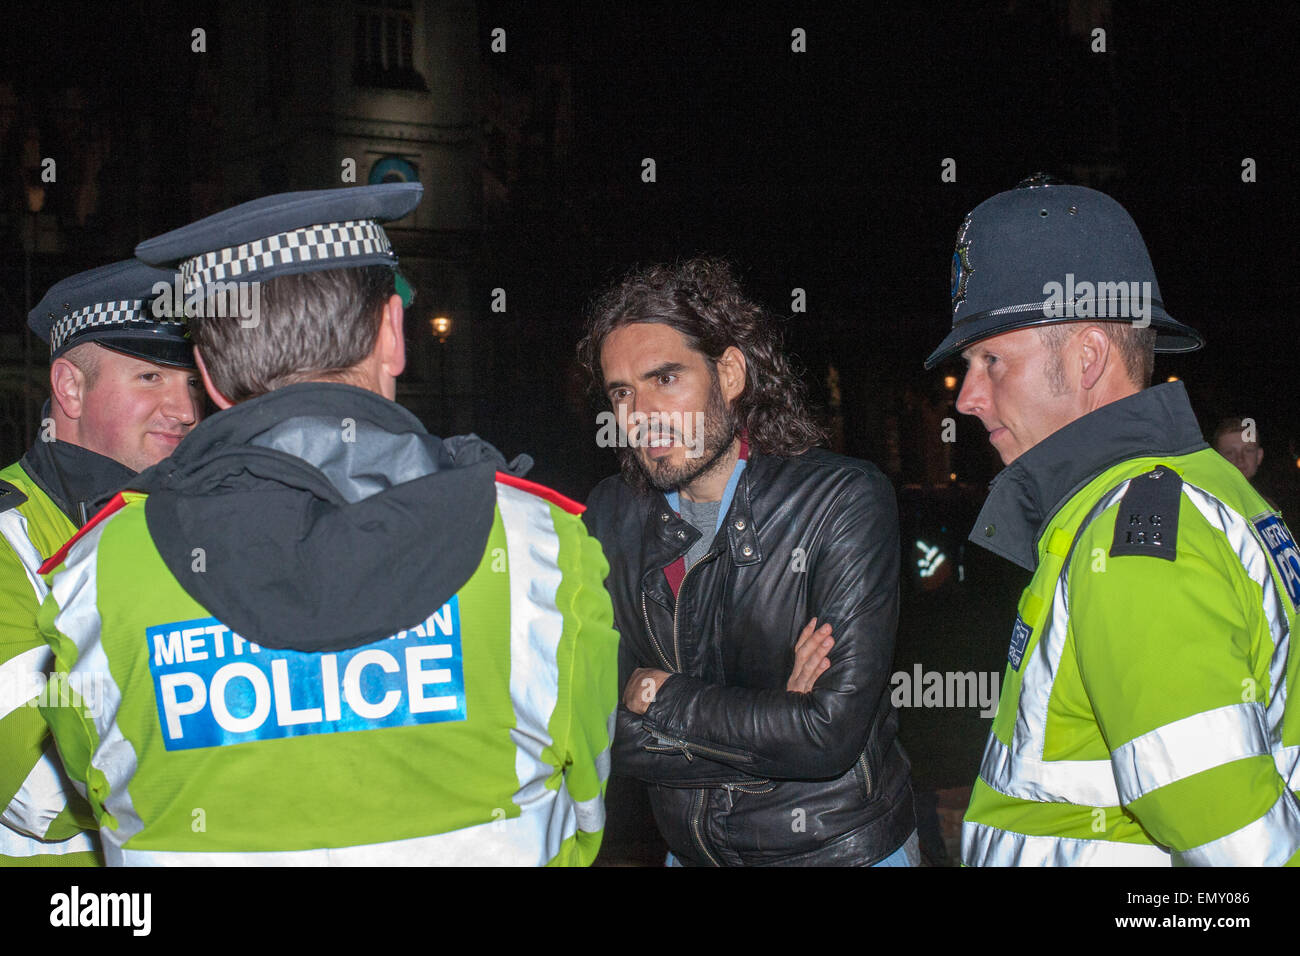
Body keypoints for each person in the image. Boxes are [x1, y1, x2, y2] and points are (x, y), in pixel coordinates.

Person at [37, 182, 618, 865]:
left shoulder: (96, 572)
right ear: (392, 333)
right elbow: (583, 808)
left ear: (208, 373)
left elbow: (97, 793)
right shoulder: (540, 547)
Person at [925, 175, 1300, 865]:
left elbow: (1245, 849)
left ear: (1088, 357)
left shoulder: (1134, 535)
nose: (968, 397)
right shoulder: (1185, 489)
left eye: (992, 360)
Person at [579, 257, 916, 866]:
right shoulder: (611, 514)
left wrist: (661, 695)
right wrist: (773, 720)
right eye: (622, 392)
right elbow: (591, 730)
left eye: (665, 379)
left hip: (833, 851)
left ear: (729, 373)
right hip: (689, 853)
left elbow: (826, 737)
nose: (641, 415)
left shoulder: (840, 500)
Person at [0, 258, 202, 867]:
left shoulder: (201, 518)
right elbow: (36, 787)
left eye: (193, 382)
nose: (184, 410)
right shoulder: (9, 533)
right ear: (70, 388)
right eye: (150, 377)